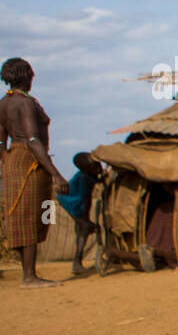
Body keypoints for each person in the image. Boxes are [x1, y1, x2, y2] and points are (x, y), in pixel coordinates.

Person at [1, 57, 69, 286]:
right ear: (26, 76)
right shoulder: (25, 103)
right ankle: (29, 276)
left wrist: (8, 162)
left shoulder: (3, 103)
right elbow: (33, 140)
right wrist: (56, 173)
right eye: (31, 74)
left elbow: (1, 143)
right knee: (33, 215)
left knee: (20, 216)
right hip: (31, 161)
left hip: (13, 161)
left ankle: (28, 273)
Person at [57, 152, 103, 276]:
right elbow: (86, 199)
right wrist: (86, 219)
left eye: (99, 165)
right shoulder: (85, 178)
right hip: (71, 204)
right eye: (95, 167)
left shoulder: (88, 175)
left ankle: (77, 263)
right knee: (86, 228)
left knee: (83, 231)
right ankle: (77, 263)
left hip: (75, 203)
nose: (99, 169)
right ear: (86, 169)